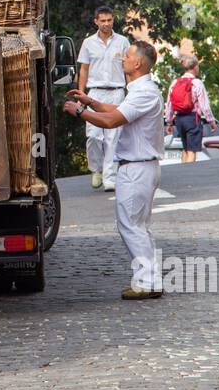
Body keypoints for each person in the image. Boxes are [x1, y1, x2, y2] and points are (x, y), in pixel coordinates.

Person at [65, 40, 164, 299]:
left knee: (131, 225)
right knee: (139, 226)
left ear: (138, 64)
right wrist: (91, 102)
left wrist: (80, 113)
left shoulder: (144, 92)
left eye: (127, 55)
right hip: (140, 167)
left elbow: (112, 120)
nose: (123, 59)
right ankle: (151, 279)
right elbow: (117, 110)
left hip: (137, 168)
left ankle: (146, 281)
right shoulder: (142, 90)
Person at [76, 6, 130, 192]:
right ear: (96, 21)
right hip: (95, 92)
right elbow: (83, 69)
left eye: (109, 20)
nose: (106, 23)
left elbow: (128, 67)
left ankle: (109, 177)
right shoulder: (88, 43)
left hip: (116, 91)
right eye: (103, 20)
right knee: (93, 136)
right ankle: (96, 169)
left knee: (113, 136)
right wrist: (80, 94)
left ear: (113, 20)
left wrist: (132, 89)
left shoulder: (123, 42)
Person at [165, 55, 217, 163]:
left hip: (179, 119)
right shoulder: (197, 83)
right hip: (192, 119)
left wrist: (169, 122)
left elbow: (169, 104)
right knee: (192, 151)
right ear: (195, 67)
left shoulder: (175, 83)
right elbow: (204, 105)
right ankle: (189, 176)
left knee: (185, 149)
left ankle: (182, 174)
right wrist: (211, 121)